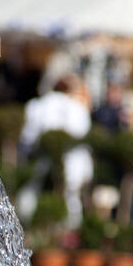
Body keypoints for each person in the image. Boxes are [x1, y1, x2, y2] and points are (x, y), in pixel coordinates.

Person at [20, 75, 93, 227]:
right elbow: (84, 139)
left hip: (41, 157)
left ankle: (26, 225)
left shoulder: (37, 105)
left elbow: (27, 136)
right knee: (70, 196)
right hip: (71, 160)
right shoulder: (78, 108)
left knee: (33, 189)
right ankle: (69, 234)